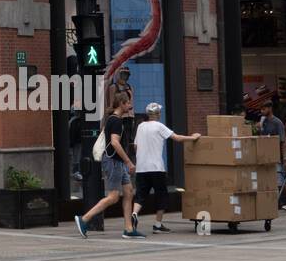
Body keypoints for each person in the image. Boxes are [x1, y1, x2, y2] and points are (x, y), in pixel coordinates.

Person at [76, 92, 142, 239]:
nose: (131, 106)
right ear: (122, 104)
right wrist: (128, 161)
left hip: (117, 162)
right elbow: (114, 143)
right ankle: (84, 219)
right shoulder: (116, 121)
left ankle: (129, 229)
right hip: (114, 162)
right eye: (128, 103)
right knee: (113, 197)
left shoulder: (113, 119)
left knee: (129, 192)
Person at [130, 103, 200, 233]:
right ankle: (157, 224)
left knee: (140, 195)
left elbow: (135, 146)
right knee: (161, 196)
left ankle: (134, 214)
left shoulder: (140, 126)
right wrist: (193, 137)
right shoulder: (159, 126)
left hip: (141, 168)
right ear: (157, 114)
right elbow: (177, 138)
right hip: (156, 168)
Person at [257, 100, 286, 195]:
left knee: (279, 182)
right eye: (261, 109)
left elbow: (282, 141)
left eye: (264, 109)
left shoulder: (277, 122)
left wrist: (285, 158)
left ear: (270, 108)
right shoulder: (263, 121)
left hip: (276, 156)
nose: (262, 111)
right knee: (268, 180)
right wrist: (259, 128)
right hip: (266, 155)